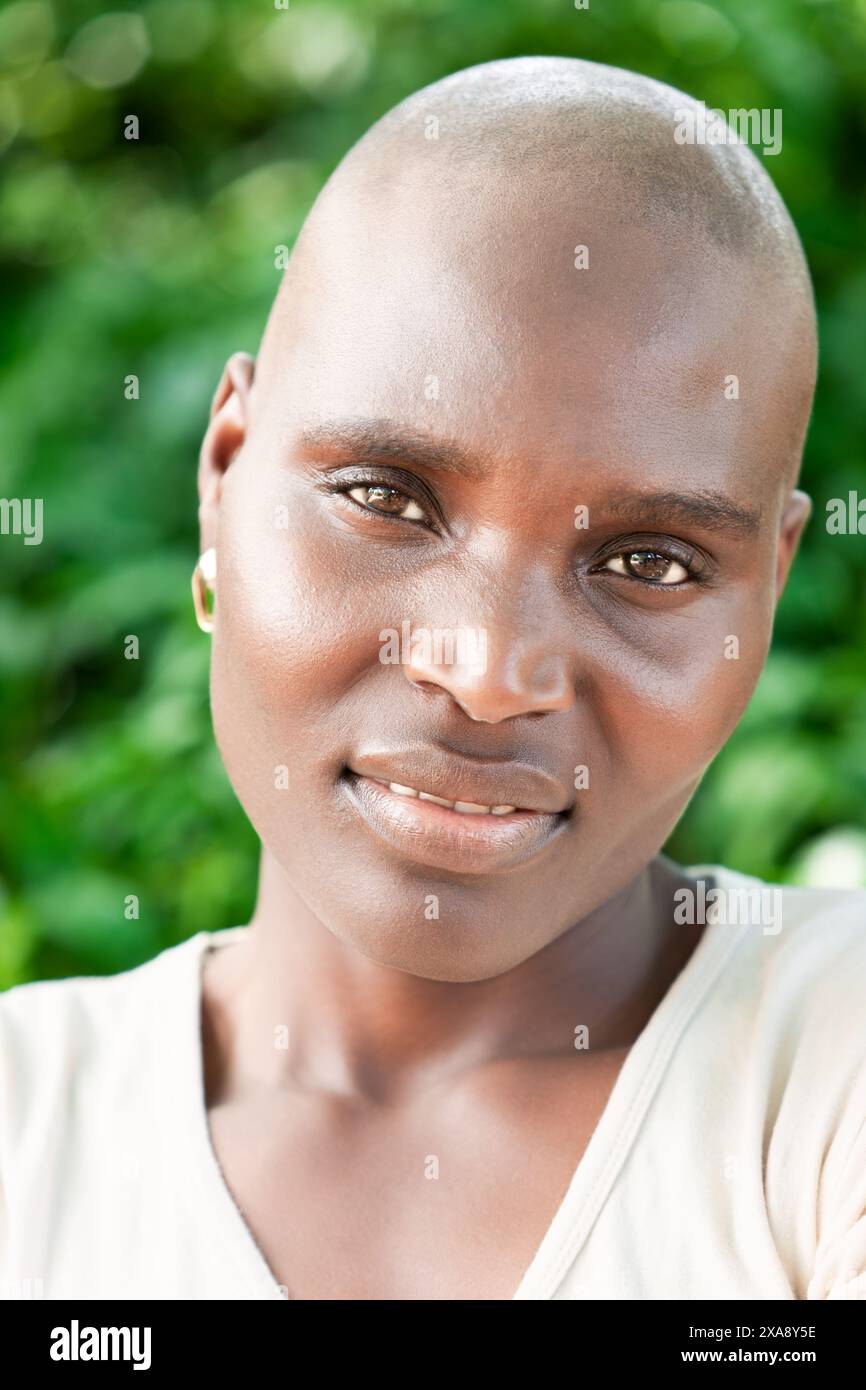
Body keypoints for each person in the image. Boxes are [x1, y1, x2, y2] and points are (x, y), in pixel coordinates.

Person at [1, 56, 864, 1302]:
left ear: (764, 593)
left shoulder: (824, 1064)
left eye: (647, 560)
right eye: (385, 500)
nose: (489, 669)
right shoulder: (32, 1145)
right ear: (224, 477)